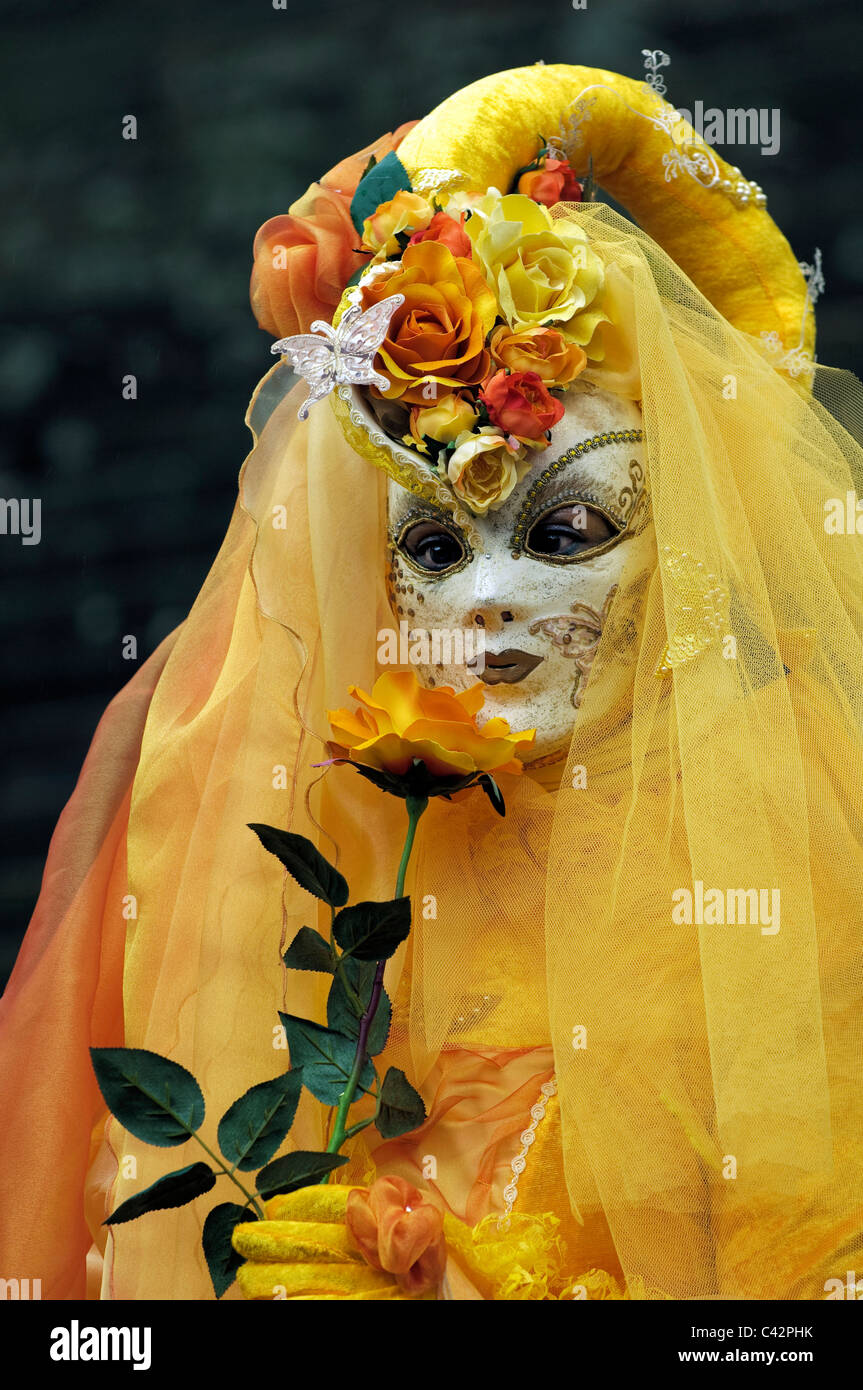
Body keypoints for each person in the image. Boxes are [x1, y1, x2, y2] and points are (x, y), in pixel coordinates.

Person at [2, 63, 862, 1301]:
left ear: (683, 534)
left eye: (566, 533)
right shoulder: (326, 838)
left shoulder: (803, 838)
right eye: (433, 548)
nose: (483, 600)